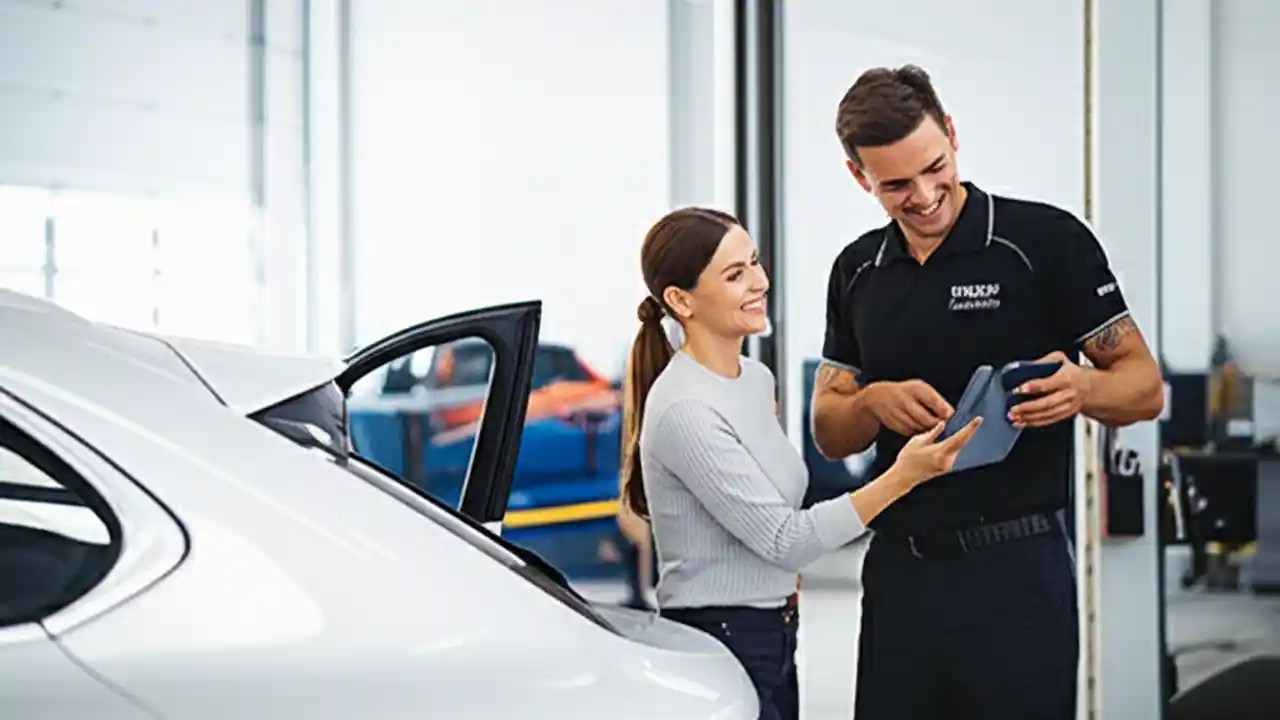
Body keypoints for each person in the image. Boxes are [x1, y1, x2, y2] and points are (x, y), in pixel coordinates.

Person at [811, 65, 1165, 720]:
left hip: (1016, 573)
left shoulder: (1044, 243)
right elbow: (829, 430)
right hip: (899, 577)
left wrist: (1083, 388)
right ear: (860, 177)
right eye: (895, 184)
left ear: (951, 133)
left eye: (934, 167)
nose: (922, 196)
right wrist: (869, 403)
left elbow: (1144, 388)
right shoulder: (857, 270)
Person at [619, 206, 983, 720]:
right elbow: (783, 540)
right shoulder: (686, 410)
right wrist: (905, 475)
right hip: (722, 638)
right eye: (734, 274)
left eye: (755, 262)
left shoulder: (753, 379)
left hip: (773, 629)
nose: (759, 282)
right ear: (681, 300)